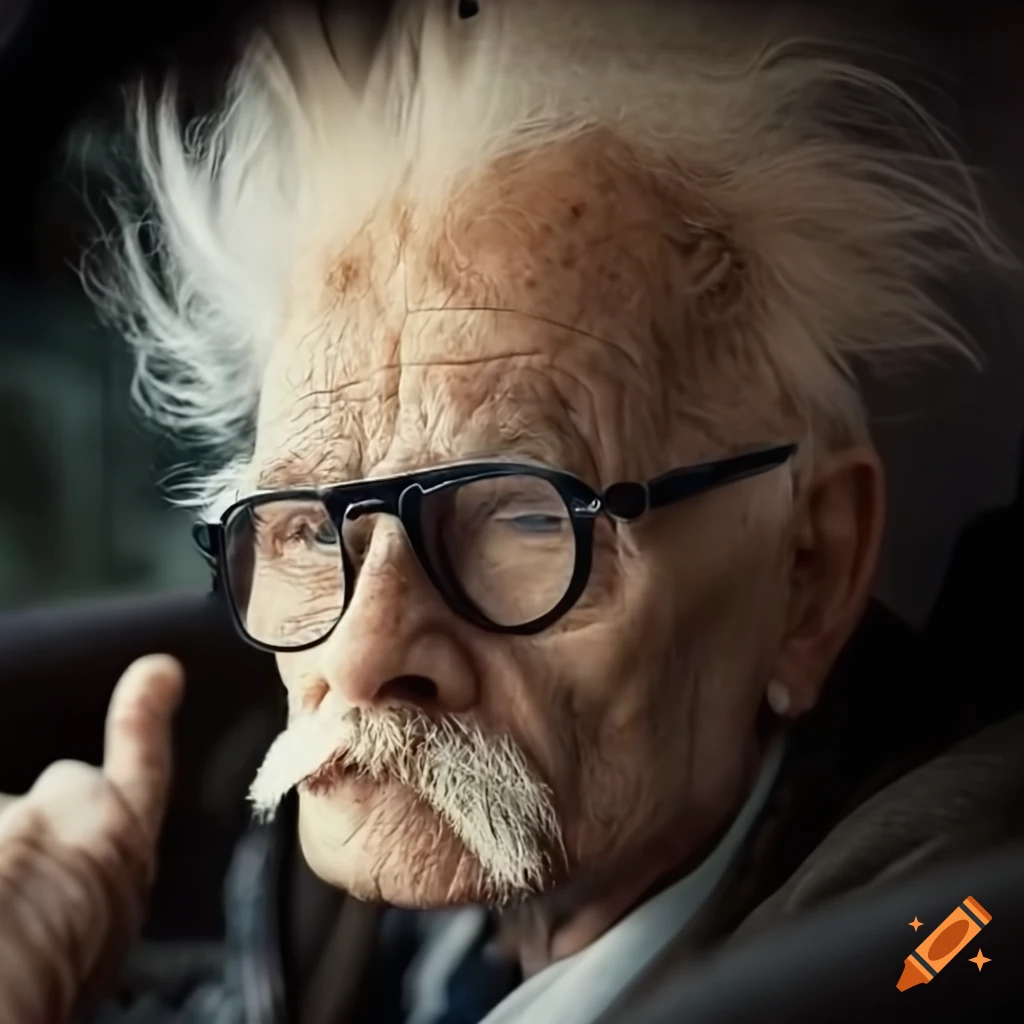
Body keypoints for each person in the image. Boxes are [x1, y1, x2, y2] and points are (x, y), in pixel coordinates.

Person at [1, 2, 1022, 1022]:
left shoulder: (931, 942)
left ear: (808, 571)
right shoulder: (379, 904)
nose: (359, 656)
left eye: (523, 516)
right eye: (310, 526)